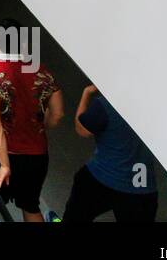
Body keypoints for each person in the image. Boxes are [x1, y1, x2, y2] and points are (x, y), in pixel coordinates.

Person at [0, 41, 64, 222]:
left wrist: (5, 165)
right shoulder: (44, 74)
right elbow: (57, 114)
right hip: (36, 156)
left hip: (0, 154)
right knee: (30, 205)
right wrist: (38, 127)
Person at [63, 84, 159, 222]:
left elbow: (82, 130)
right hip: (142, 185)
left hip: (101, 177)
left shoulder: (106, 104)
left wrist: (86, 93)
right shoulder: (159, 109)